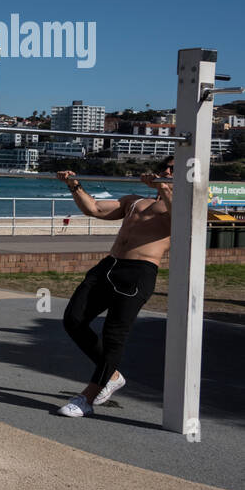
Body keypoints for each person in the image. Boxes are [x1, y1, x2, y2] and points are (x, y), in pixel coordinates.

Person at [56, 159, 175, 418]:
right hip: (109, 266)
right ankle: (113, 375)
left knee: (113, 335)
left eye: (173, 170)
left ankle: (87, 398)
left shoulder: (181, 208)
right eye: (165, 167)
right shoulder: (135, 201)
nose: (166, 172)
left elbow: (179, 219)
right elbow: (95, 209)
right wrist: (73, 184)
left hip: (138, 272)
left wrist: (165, 189)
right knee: (73, 319)